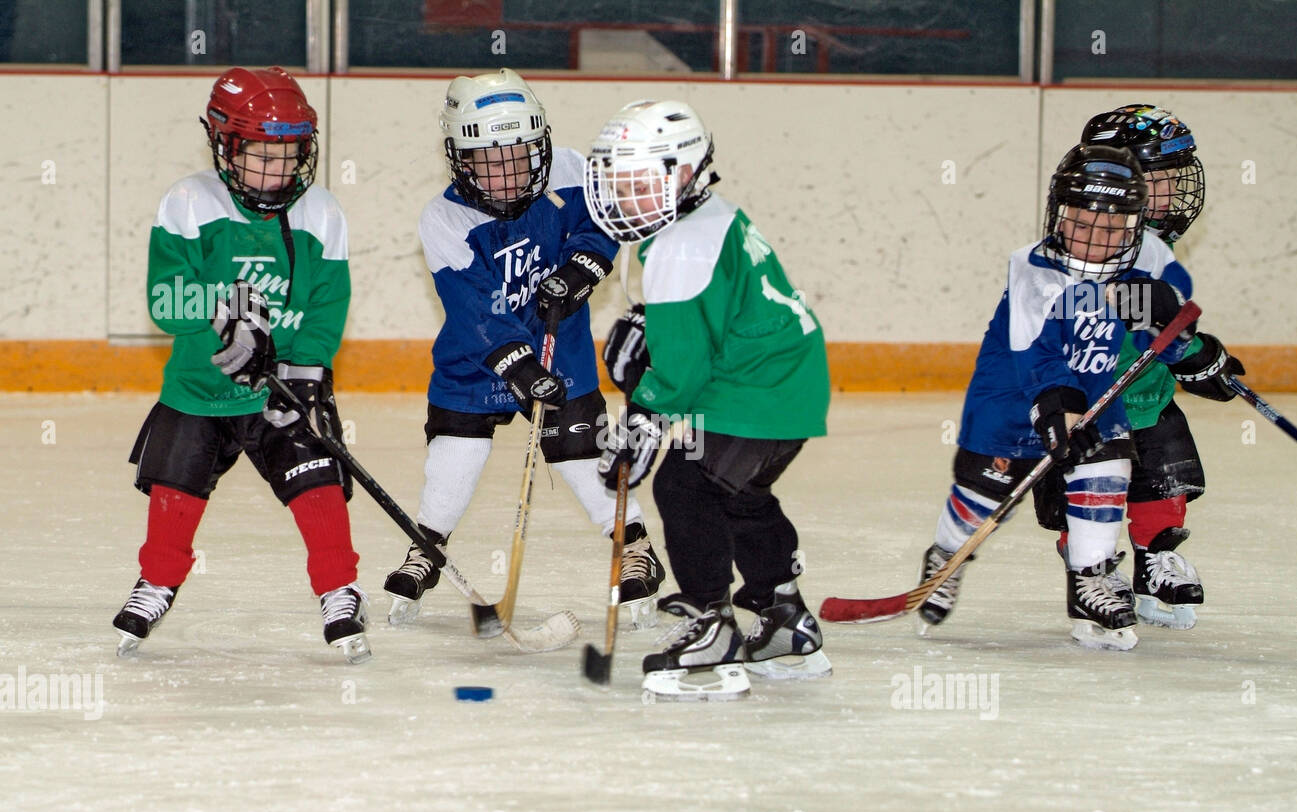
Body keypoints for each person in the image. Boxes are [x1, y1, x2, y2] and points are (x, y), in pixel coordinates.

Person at [383, 68, 664, 626]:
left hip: (561, 342)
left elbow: (600, 223)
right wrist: (516, 363)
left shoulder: (569, 169)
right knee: (455, 455)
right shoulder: (444, 218)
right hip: (479, 355)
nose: (510, 176)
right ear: (459, 158)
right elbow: (473, 307)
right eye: (490, 161)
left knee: (582, 455)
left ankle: (634, 547)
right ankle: (427, 546)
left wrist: (582, 267)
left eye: (520, 156)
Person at [113, 66, 369, 664]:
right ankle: (158, 580)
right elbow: (165, 301)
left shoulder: (321, 211)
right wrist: (222, 309)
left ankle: (339, 588)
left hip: (276, 389)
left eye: (289, 156)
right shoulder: (188, 201)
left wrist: (305, 373)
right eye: (261, 156)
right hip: (199, 386)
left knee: (317, 483)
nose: (277, 172)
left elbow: (328, 303)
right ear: (226, 146)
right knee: (175, 488)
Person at [585, 100, 832, 701]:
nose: (626, 195)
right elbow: (706, 319)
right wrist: (659, 328)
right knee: (741, 495)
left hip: (756, 393)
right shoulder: (705, 220)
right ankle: (784, 618)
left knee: (685, 485)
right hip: (785, 384)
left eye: (642, 181)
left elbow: (683, 371)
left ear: (686, 172)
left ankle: (710, 623)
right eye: (620, 181)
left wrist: (641, 423)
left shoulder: (681, 246)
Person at [914, 143, 1200, 651]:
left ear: (1135, 227)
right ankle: (946, 557)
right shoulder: (1032, 267)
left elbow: (1173, 308)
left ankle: (1092, 577)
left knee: (1108, 466)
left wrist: (1194, 349)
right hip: (1012, 400)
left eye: (1113, 228)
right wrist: (1057, 407)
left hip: (1095, 388)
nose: (1095, 239)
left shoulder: (1150, 253)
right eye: (1082, 223)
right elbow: (1036, 355)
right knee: (983, 499)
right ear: (1059, 215)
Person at [1077, 105, 1244, 629]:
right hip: (1091, 406)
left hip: (1148, 397)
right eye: (1163, 178)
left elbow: (1164, 318)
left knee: (1166, 482)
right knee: (1093, 495)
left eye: (1178, 176)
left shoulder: (1154, 243)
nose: (1176, 190)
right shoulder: (1092, 243)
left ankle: (1155, 561)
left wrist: (1195, 358)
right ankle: (1092, 572)